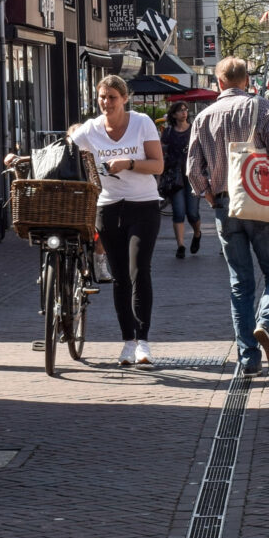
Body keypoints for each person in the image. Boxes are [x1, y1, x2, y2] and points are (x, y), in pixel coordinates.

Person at [187, 56, 269, 376]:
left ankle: (248, 359)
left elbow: (193, 170)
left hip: (225, 205)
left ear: (219, 83)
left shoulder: (203, 117)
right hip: (260, 199)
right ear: (246, 80)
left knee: (240, 284)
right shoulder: (260, 107)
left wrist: (209, 195)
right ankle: (267, 322)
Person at [69, 76, 165, 365]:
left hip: (143, 204)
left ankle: (143, 342)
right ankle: (127, 342)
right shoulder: (91, 129)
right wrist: (21, 157)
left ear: (125, 98)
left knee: (140, 270)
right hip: (108, 208)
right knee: (120, 277)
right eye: (102, 97)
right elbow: (62, 151)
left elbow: (158, 164)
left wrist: (128, 163)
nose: (106, 103)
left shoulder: (141, 123)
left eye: (112, 97)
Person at [158, 100, 204, 259]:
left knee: (192, 213)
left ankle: (197, 233)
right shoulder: (168, 132)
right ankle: (181, 246)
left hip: (192, 176)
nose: (184, 112)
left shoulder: (194, 130)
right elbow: (161, 154)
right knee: (178, 212)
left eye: (185, 109)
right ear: (173, 114)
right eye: (180, 110)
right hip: (175, 177)